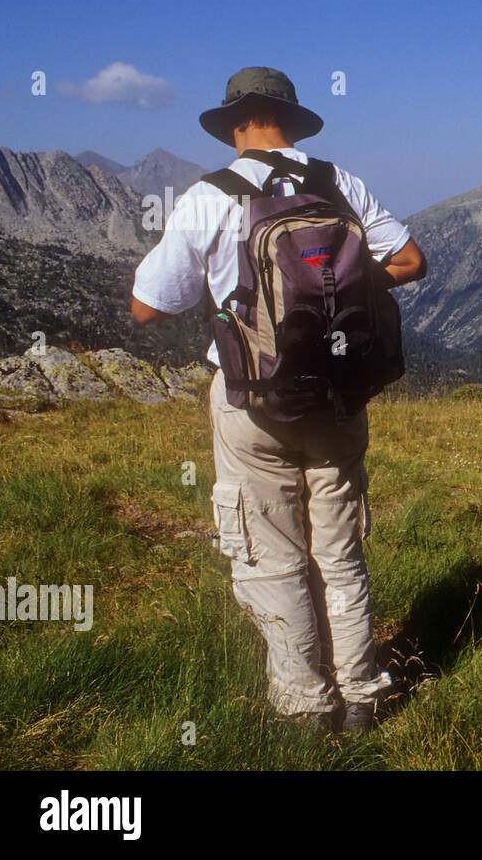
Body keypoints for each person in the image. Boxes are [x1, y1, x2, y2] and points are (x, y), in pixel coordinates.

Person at [130, 67, 426, 732]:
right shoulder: (337, 183)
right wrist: (336, 287)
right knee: (340, 550)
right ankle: (364, 694)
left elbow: (147, 307)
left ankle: (305, 706)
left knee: (270, 553)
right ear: (292, 123)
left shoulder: (210, 195)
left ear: (235, 126)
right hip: (340, 392)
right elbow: (411, 262)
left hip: (251, 398)